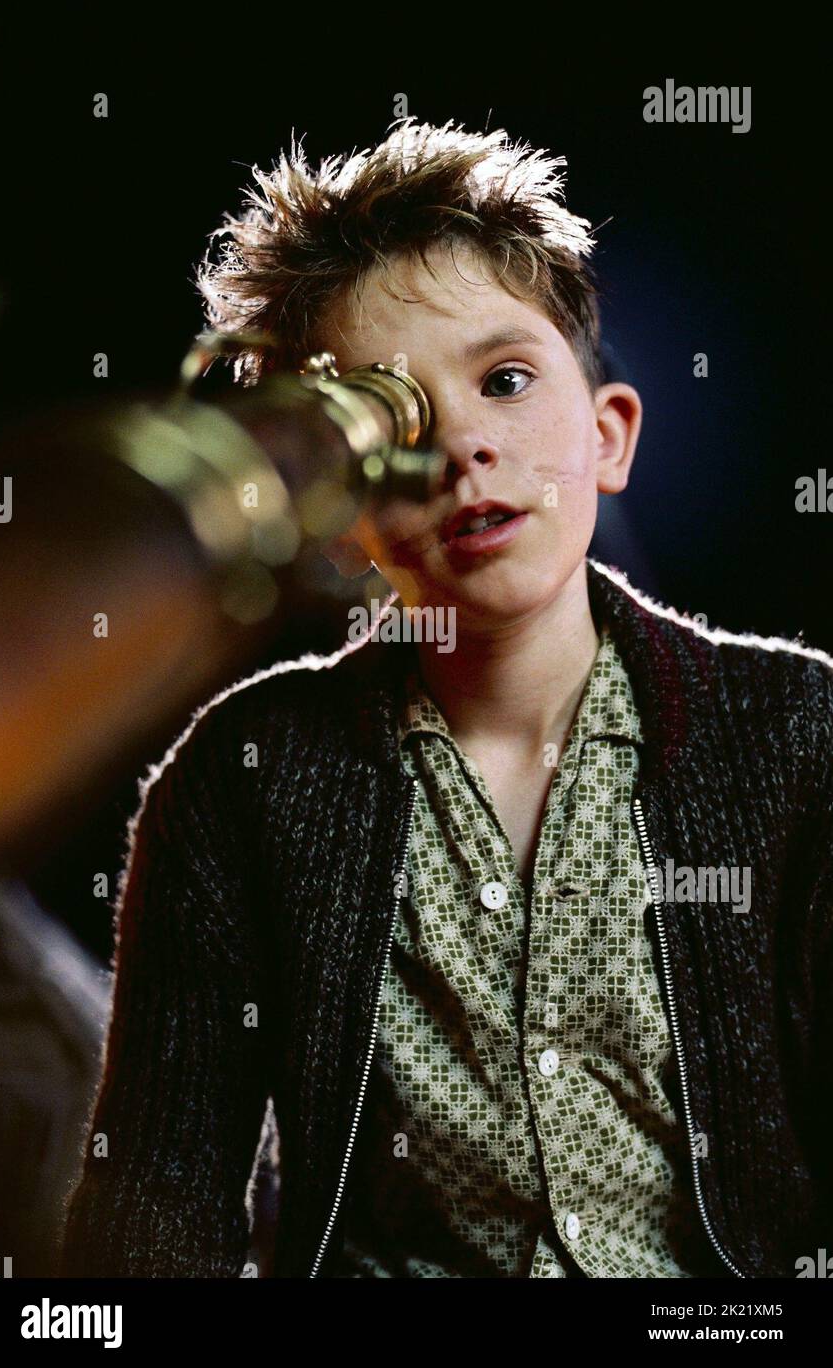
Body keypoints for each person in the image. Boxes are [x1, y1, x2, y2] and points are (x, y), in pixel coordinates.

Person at [59, 118, 833, 1279]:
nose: (465, 444)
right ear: (335, 517)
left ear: (609, 435)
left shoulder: (796, 733)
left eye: (505, 379)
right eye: (399, 419)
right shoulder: (242, 777)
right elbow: (152, 1211)